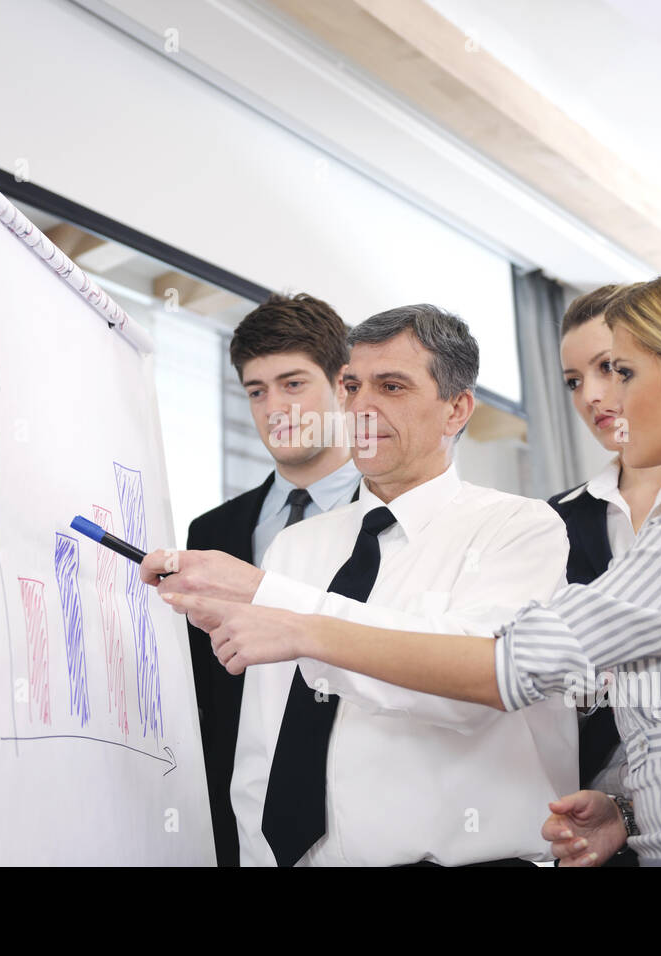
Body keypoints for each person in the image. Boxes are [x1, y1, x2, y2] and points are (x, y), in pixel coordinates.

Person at [165, 255, 661, 867]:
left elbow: (502, 668)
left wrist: (295, 619)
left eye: (623, 372)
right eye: (585, 378)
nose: (604, 401)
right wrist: (626, 808)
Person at [145, 304, 576, 867]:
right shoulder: (296, 549)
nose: (361, 406)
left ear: (457, 410)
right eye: (352, 385)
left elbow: (473, 684)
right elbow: (263, 747)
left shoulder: (519, 529)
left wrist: (282, 609)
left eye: (391, 386)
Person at [185, 292, 359, 867]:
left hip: (365, 807)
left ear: (343, 383)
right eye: (256, 390)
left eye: (293, 383)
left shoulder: (392, 516)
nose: (274, 407)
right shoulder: (212, 530)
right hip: (243, 821)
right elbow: (207, 696)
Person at [552, 285, 661, 866]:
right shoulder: (547, 523)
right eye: (575, 380)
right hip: (593, 834)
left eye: (609, 368)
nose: (593, 396)